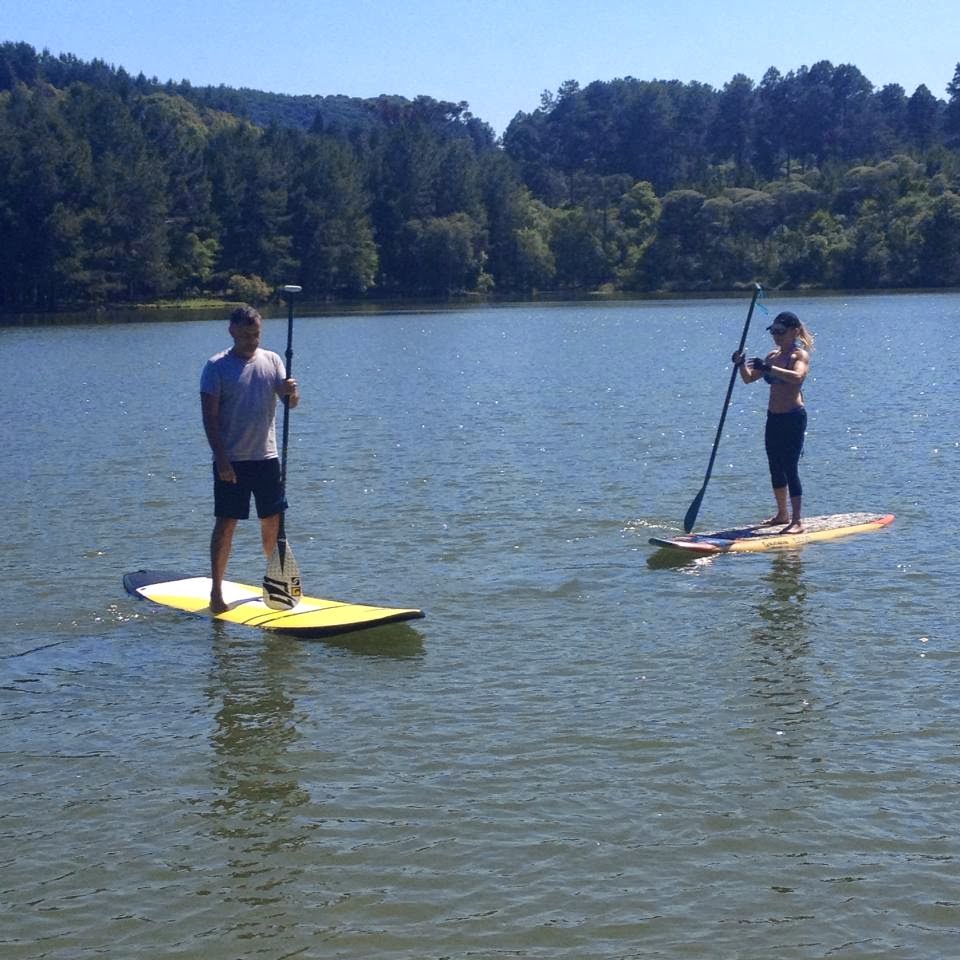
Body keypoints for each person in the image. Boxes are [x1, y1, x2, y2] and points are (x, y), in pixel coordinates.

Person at [200, 305, 300, 612]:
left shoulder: (272, 360)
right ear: (232, 331)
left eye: (255, 334)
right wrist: (222, 460)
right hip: (232, 461)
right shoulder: (216, 367)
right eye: (244, 335)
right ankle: (216, 593)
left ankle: (277, 586)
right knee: (227, 524)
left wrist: (290, 392)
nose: (251, 340)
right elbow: (209, 419)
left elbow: (289, 403)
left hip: (266, 458)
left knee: (273, 522)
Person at [731, 309, 814, 534]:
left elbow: (797, 377)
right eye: (774, 332)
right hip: (773, 417)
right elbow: (749, 379)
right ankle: (782, 514)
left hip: (793, 418)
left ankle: (797, 520)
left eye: (781, 331)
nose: (776, 336)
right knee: (774, 465)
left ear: (794, 331)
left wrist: (768, 368)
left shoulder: (799, 356)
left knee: (790, 466)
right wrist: (740, 364)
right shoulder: (772, 356)